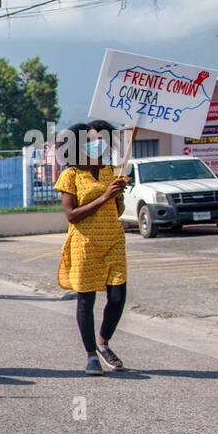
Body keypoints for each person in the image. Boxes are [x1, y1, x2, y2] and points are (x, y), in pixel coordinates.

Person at [55, 120, 129, 376]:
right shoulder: (70, 175)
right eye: (89, 140)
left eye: (96, 140)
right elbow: (72, 215)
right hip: (85, 244)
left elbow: (117, 210)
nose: (95, 144)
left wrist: (118, 197)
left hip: (114, 241)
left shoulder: (109, 170)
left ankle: (103, 342)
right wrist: (105, 196)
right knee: (86, 299)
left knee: (118, 296)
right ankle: (91, 356)